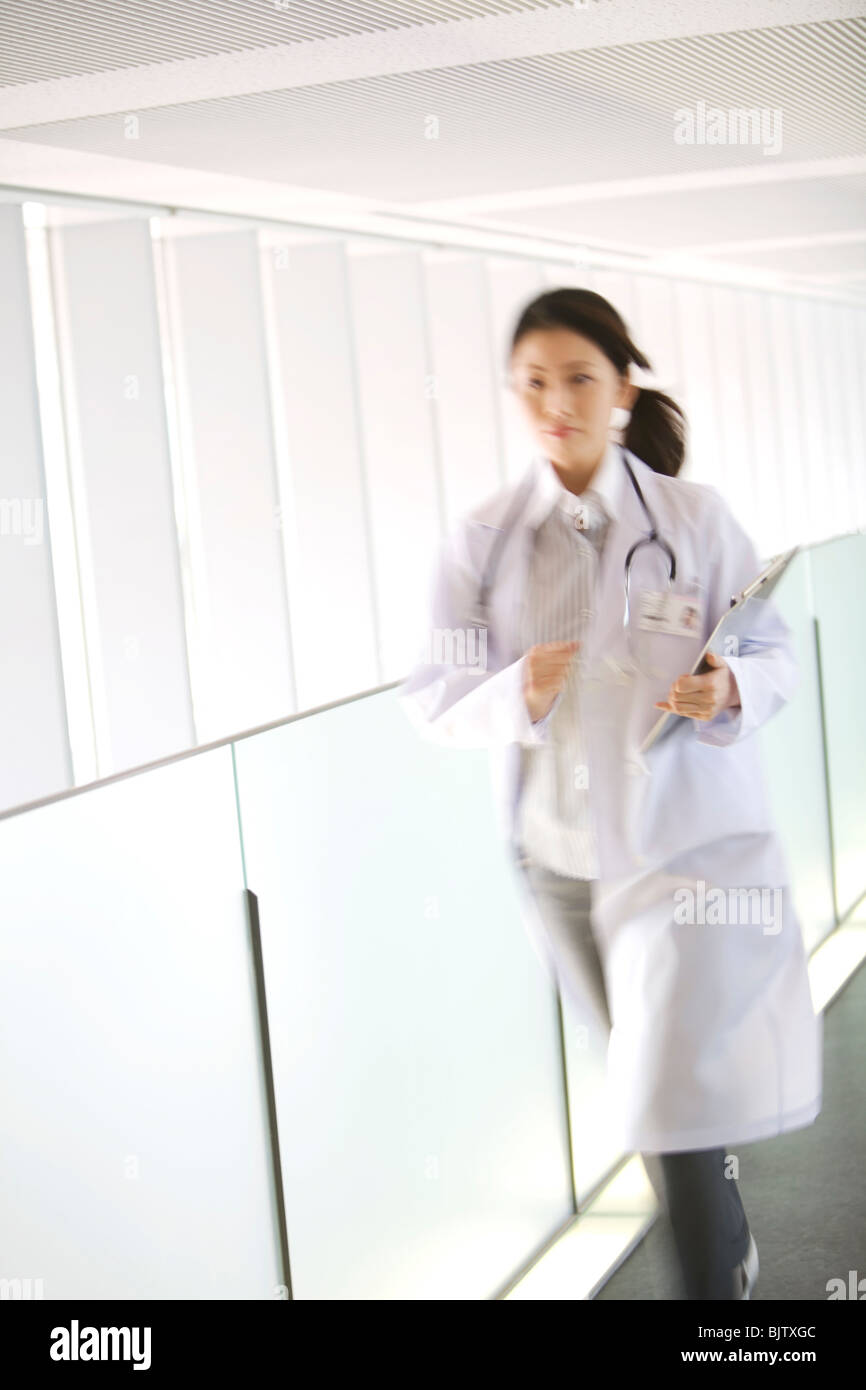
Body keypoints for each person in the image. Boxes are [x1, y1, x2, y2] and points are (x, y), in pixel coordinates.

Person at [398, 287, 823, 1300]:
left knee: (660, 1086)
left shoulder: (691, 517)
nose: (555, 402)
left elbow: (768, 649)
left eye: (577, 378)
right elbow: (431, 699)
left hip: (673, 850)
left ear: (622, 388)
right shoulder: (484, 541)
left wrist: (728, 685)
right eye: (533, 384)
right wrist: (517, 688)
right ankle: (718, 1225)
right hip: (558, 863)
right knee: (642, 1083)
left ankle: (713, 1285)